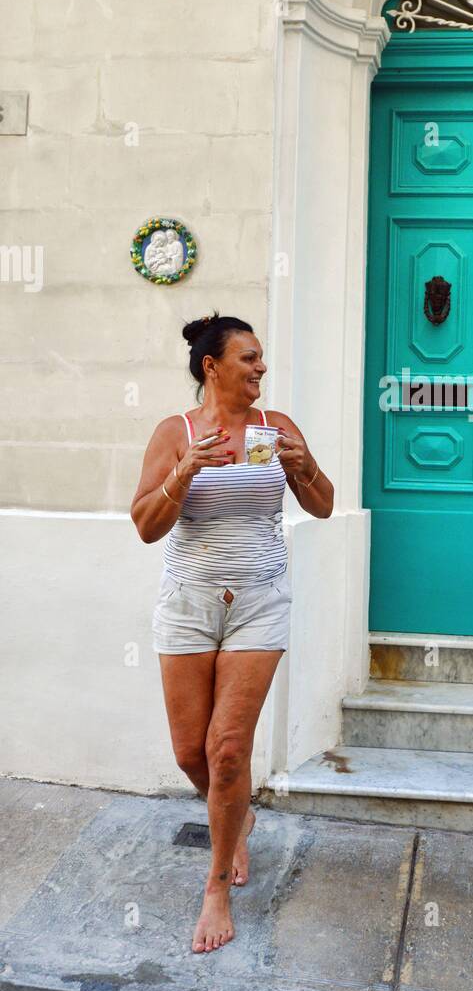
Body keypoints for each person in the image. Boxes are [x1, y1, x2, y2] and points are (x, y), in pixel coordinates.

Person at [130, 312, 333, 953]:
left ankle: (216, 887)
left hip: (258, 603)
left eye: (262, 358)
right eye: (249, 359)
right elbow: (145, 525)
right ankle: (235, 815)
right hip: (189, 605)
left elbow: (324, 504)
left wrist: (302, 468)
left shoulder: (277, 430)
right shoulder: (177, 432)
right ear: (212, 367)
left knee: (226, 751)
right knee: (191, 751)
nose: (261, 369)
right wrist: (183, 473)